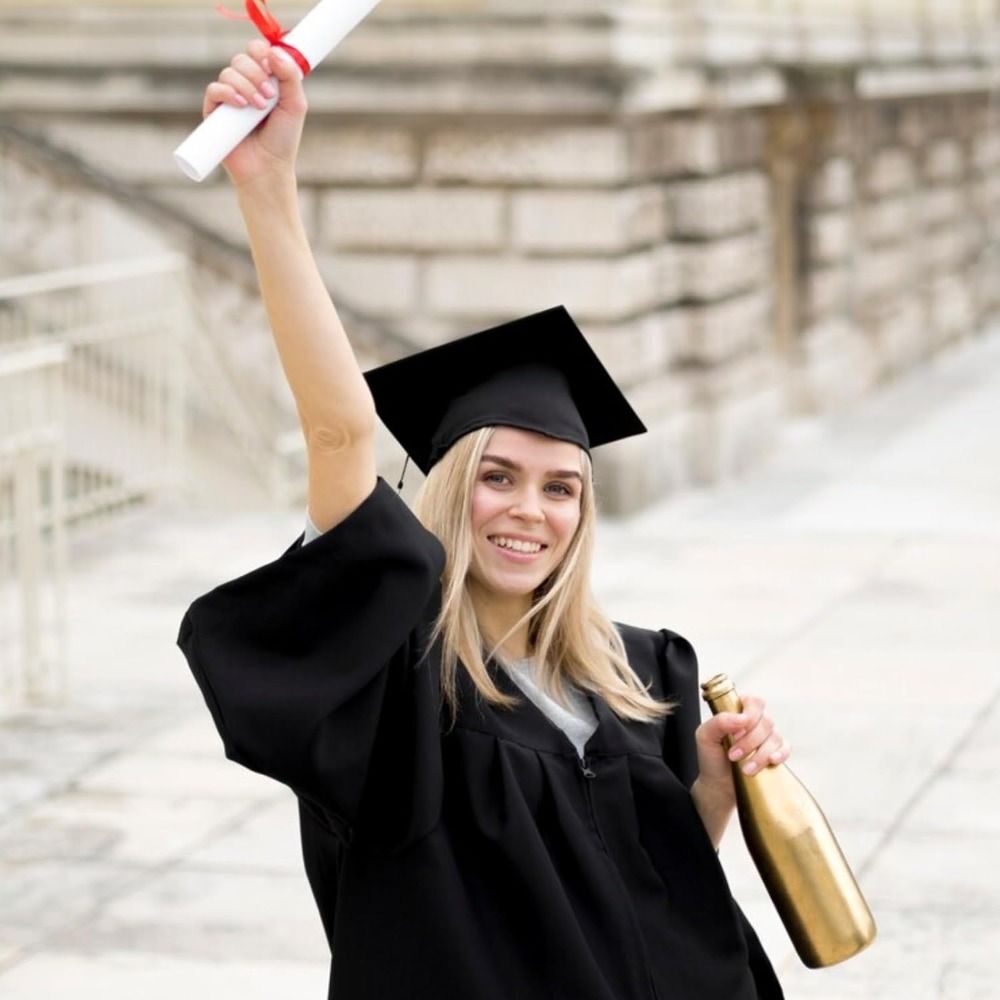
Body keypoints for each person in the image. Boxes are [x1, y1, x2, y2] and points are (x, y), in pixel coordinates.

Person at [177, 39, 790, 999]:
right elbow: (340, 431)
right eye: (497, 476)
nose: (529, 511)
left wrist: (711, 789)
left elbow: (644, 897)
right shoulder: (396, 684)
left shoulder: (642, 675)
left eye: (561, 487)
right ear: (450, 485)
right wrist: (268, 187)